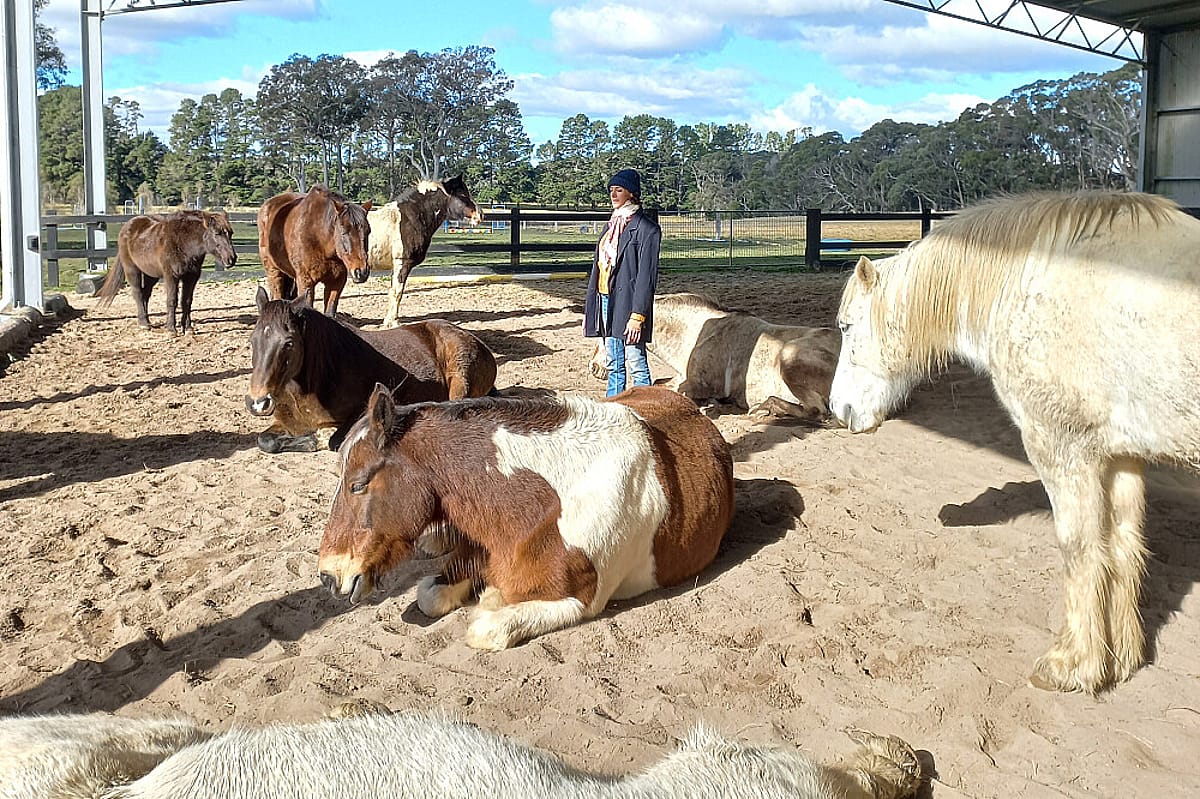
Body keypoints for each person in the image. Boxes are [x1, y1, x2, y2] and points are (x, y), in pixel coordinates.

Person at [584, 168, 662, 397]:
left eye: (619, 190)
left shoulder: (647, 229)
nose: (614, 194)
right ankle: (614, 406)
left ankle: (646, 408)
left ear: (632, 193)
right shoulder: (611, 225)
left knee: (636, 360)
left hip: (629, 303)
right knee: (614, 361)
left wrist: (638, 316)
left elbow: (646, 278)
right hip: (606, 299)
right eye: (611, 190)